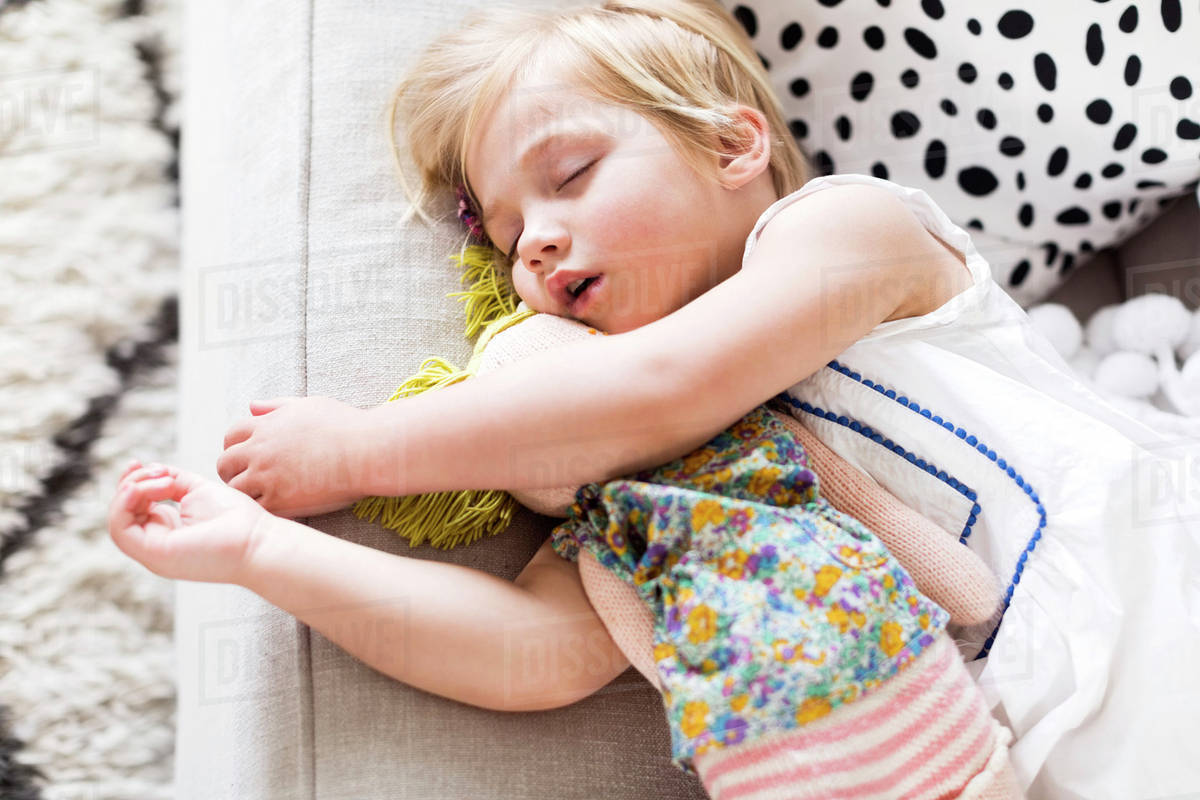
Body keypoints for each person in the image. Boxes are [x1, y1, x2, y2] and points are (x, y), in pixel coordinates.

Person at [109, 1, 1200, 798]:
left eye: (572, 173)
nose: (533, 237)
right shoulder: (672, 479)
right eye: (502, 228)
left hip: (1157, 597)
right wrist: (260, 553)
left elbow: (667, 383)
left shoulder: (845, 233)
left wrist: (361, 450)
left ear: (733, 145)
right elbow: (536, 647)